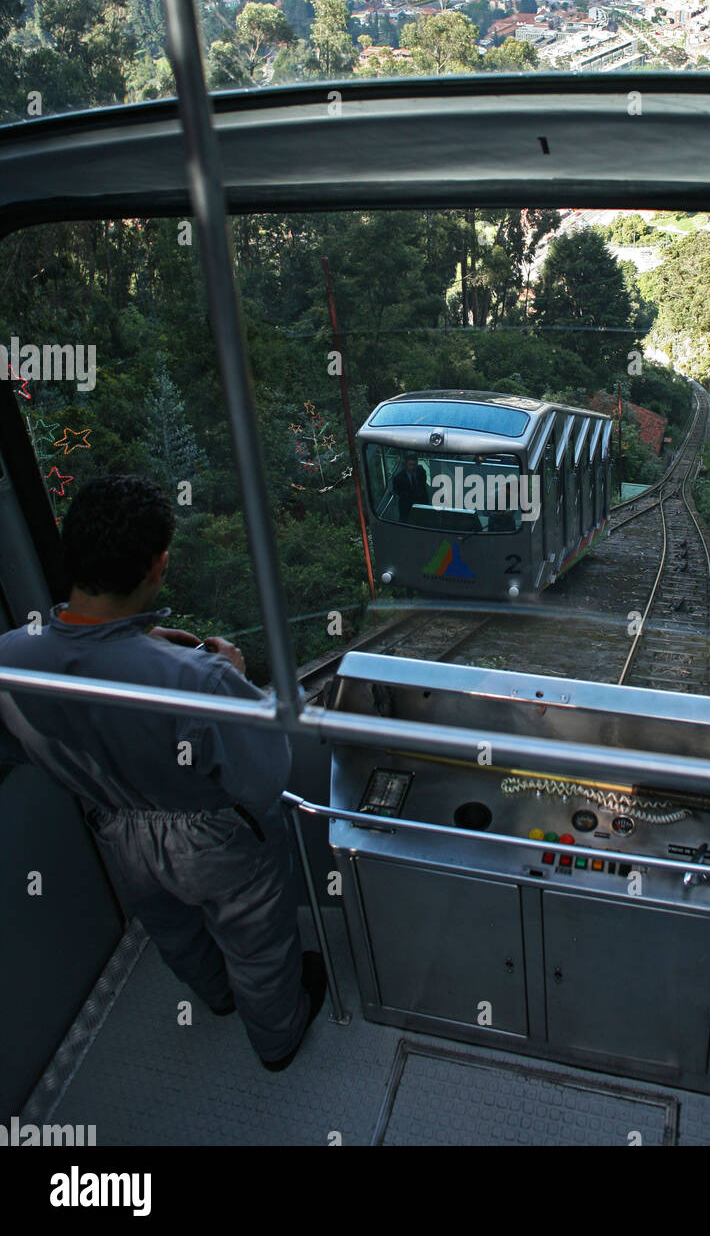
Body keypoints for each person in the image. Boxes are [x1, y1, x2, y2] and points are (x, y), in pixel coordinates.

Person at [0, 475, 325, 1072]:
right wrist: (234, 678)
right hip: (214, 842)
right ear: (158, 566)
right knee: (258, 944)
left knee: (173, 930)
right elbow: (265, 773)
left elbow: (38, 726)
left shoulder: (12, 659)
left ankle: (216, 997)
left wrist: (134, 640)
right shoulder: (198, 682)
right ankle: (278, 1040)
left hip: (116, 831)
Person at [392, 450, 429, 521]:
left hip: (421, 504)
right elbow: (400, 493)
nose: (412, 467)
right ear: (405, 464)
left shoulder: (421, 470)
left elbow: (423, 487)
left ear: (417, 463)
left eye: (414, 464)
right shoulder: (398, 478)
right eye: (410, 464)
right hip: (407, 507)